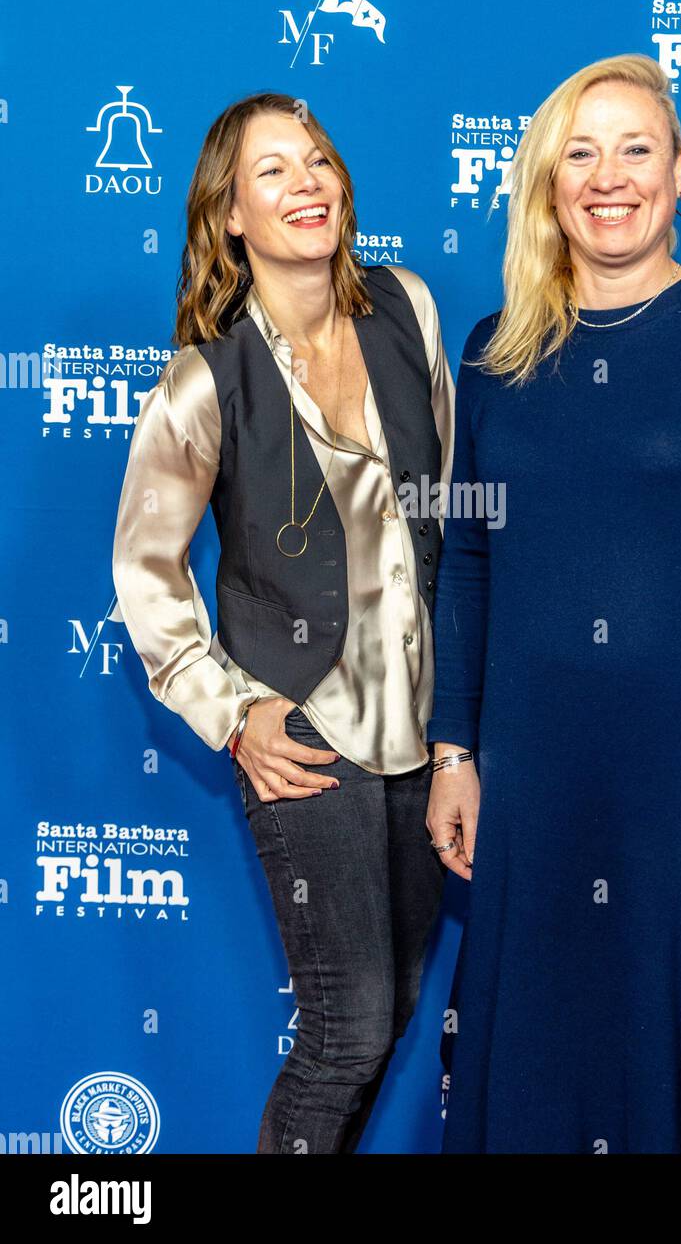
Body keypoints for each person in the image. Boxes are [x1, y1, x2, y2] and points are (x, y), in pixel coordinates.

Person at [425, 53, 681, 1154]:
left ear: (678, 173)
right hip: (528, 779)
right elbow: (465, 559)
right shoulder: (491, 351)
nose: (607, 177)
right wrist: (452, 750)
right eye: (580, 152)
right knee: (526, 1060)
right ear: (547, 183)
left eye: (635, 149)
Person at [112, 92, 453, 1154]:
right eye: (273, 172)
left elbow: (448, 517)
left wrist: (468, 724)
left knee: (393, 1007)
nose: (308, 183)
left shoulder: (407, 308)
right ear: (227, 216)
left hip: (427, 735)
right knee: (347, 1030)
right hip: (310, 744)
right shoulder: (202, 384)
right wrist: (232, 712)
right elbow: (146, 566)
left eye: (317, 162)